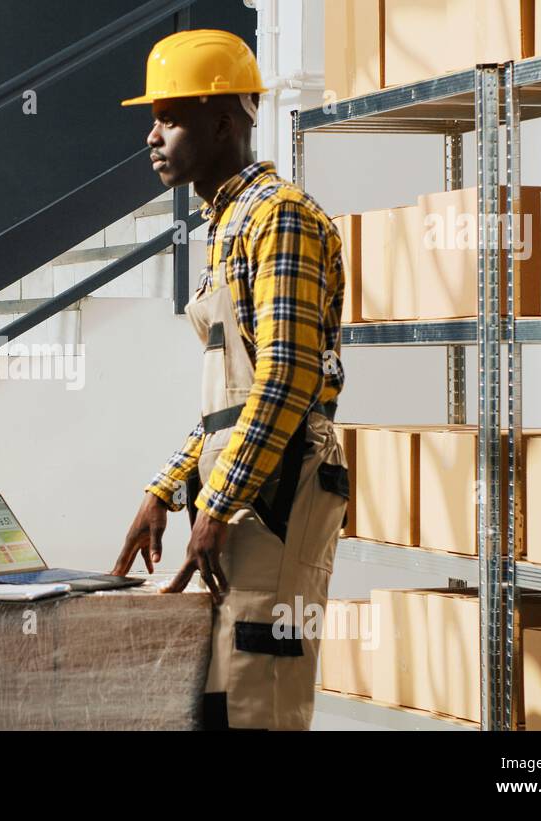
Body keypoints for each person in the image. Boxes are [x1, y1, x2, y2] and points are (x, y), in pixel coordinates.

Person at [110, 31, 349, 730]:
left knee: (259, 689)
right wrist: (169, 485)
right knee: (218, 694)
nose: (153, 137)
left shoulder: (280, 217)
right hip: (247, 478)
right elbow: (232, 399)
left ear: (223, 121)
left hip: (280, 482)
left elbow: (287, 379)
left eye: (170, 118)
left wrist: (216, 501)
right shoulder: (227, 224)